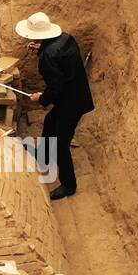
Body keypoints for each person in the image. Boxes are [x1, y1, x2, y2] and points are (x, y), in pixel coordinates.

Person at [15, 11, 94, 201]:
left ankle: (69, 185)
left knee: (60, 143)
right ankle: (43, 156)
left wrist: (41, 98)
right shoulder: (65, 38)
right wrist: (41, 48)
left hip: (71, 102)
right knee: (51, 120)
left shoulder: (47, 58)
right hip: (77, 93)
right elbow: (61, 59)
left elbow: (56, 86)